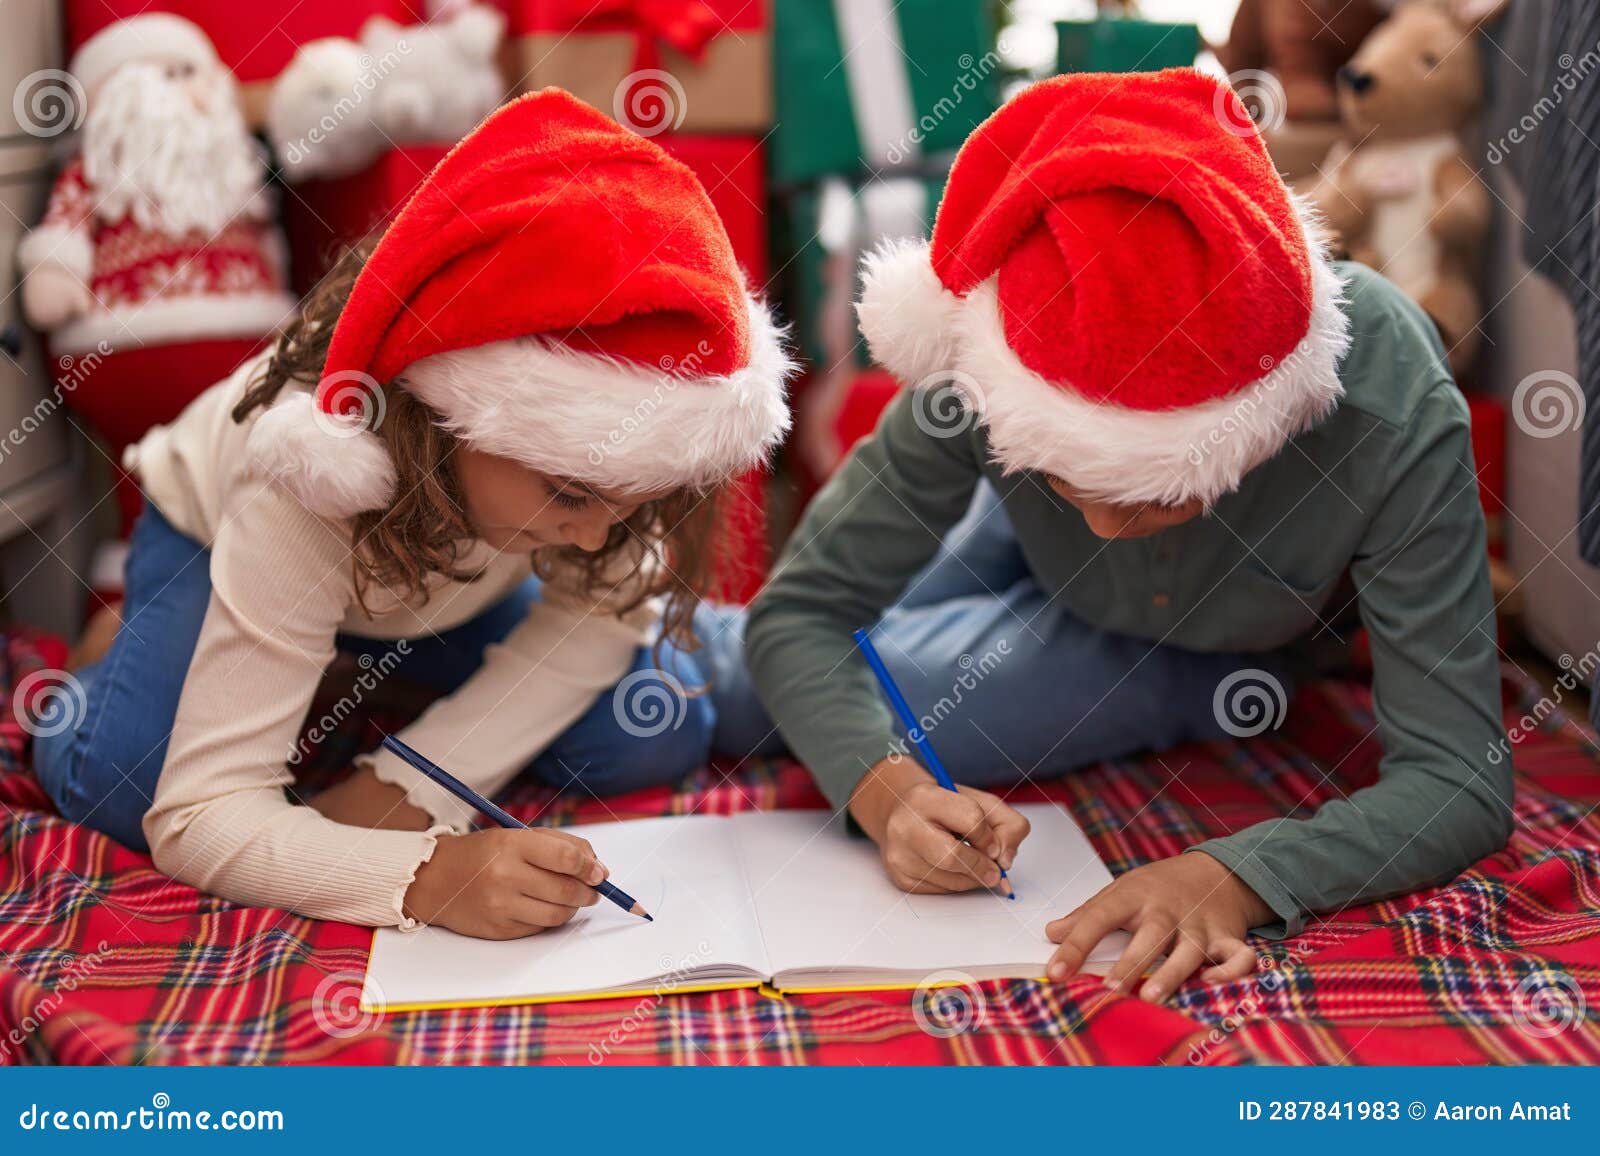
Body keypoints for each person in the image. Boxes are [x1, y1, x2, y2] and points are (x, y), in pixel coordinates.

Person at [738, 69, 1511, 1000]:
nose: (1109, 526)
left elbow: (1460, 778)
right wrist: (885, 790)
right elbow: (801, 613)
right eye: (1069, 478)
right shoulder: (982, 352)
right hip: (1011, 543)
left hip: (1228, 648)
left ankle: (646, 671)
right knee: (809, 696)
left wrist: (1228, 876)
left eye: (1160, 493)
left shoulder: (1389, 398)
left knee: (910, 708)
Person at [32, 90, 793, 940]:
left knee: (645, 731)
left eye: (634, 505)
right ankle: (121, 660)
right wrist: (423, 876)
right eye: (573, 495)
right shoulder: (312, 467)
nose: (598, 537)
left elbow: (612, 604)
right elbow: (199, 814)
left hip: (449, 586)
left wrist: (414, 784)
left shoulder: (603, 475)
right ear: (446, 421)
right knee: (126, 787)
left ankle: (340, 669)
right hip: (221, 541)